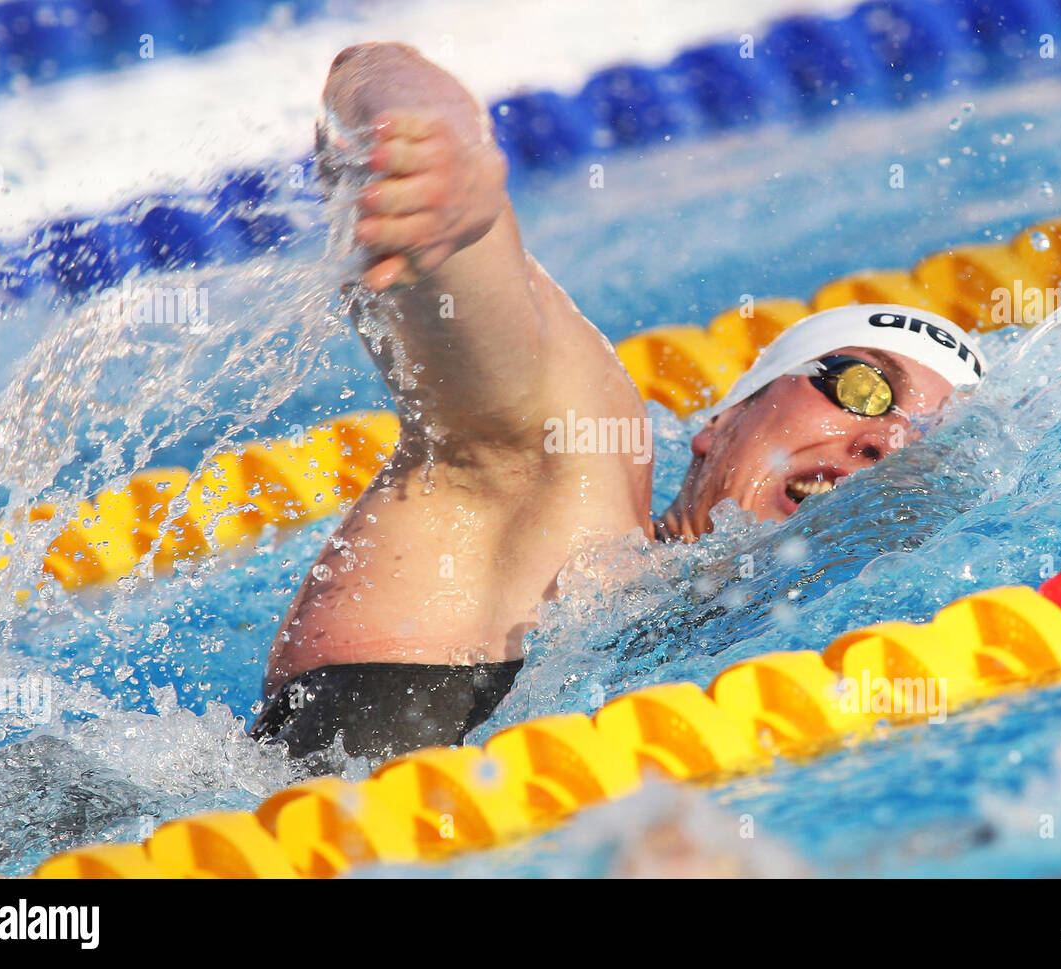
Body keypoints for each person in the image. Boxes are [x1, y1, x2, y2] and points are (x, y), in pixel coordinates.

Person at [250, 43, 987, 766]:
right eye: (863, 388)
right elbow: (368, 81)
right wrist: (437, 155)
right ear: (722, 419)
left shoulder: (841, 688)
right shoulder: (570, 490)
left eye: (929, 437)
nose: (889, 441)